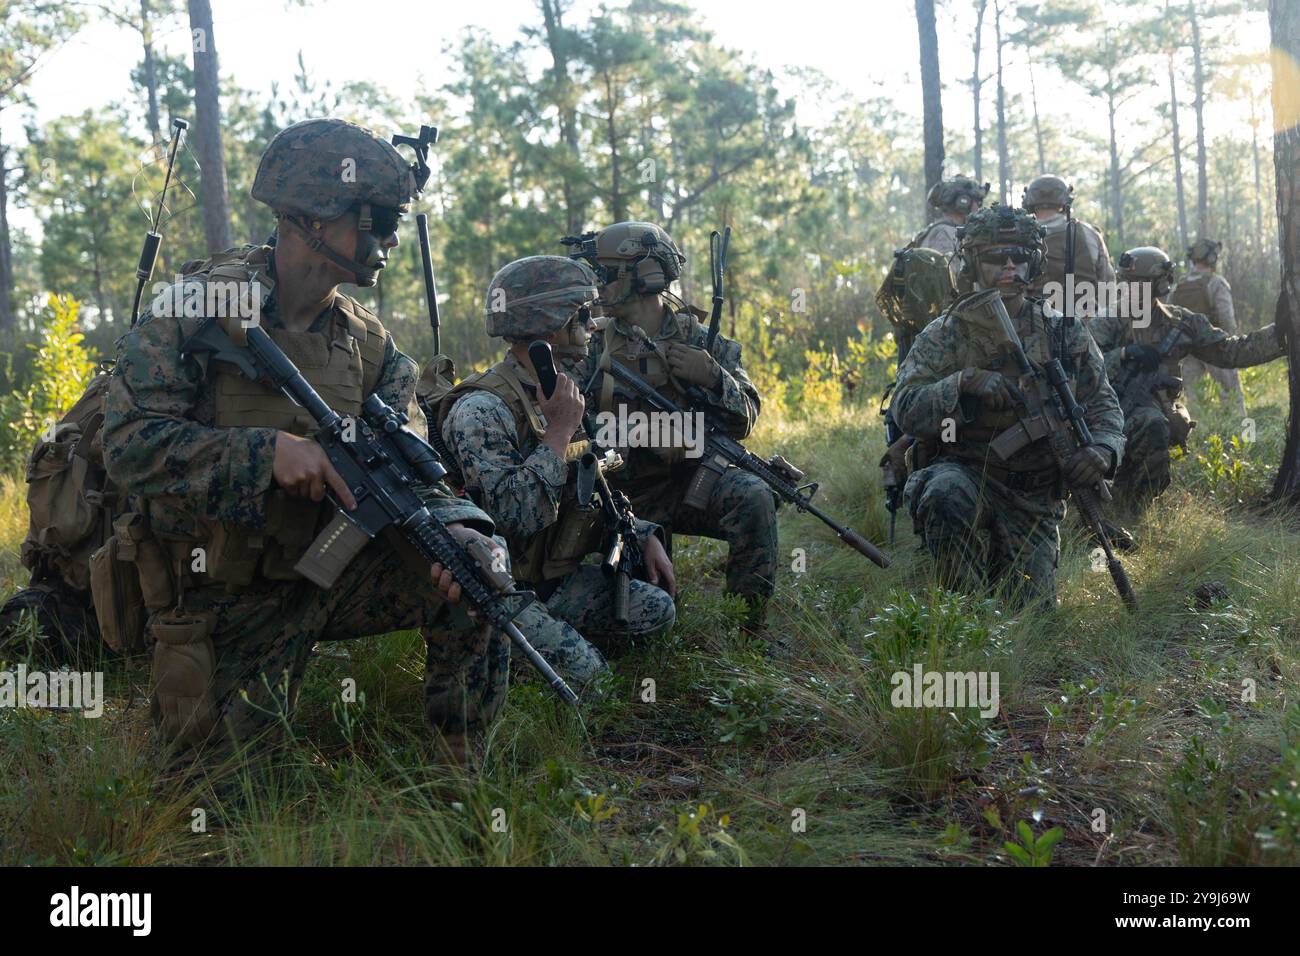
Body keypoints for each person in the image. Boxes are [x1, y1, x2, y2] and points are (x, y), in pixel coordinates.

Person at [103, 118, 561, 768]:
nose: (392, 240)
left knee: (472, 580)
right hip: (224, 590)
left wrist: (461, 527)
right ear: (312, 218)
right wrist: (266, 456)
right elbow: (126, 447)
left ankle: (461, 771)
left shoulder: (369, 341)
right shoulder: (195, 309)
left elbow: (409, 458)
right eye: (375, 220)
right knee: (215, 812)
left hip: (330, 569)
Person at [437, 255, 676, 688]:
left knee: (658, 609)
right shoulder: (482, 409)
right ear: (549, 323)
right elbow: (514, 518)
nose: (593, 324)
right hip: (501, 591)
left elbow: (589, 487)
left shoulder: (559, 390)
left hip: (553, 577)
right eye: (581, 314)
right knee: (594, 682)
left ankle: (554, 644)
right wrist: (559, 432)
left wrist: (643, 534)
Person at [892, 205, 1124, 608]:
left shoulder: (1063, 329)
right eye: (996, 257)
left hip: (1033, 496)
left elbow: (1103, 403)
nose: (1009, 266)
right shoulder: (947, 332)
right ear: (974, 263)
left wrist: (1103, 449)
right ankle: (959, 616)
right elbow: (906, 407)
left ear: (1033, 263)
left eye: (1020, 257)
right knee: (945, 495)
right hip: (967, 473)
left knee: (1030, 617)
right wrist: (964, 383)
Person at [566, 221, 777, 630]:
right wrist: (634, 436)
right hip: (623, 497)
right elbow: (568, 428)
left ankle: (749, 634)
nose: (598, 285)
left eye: (607, 275)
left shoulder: (699, 340)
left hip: (688, 485)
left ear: (646, 276)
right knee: (649, 616)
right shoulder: (591, 345)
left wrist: (715, 378)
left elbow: (747, 415)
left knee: (754, 496)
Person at [1089, 246, 1285, 506]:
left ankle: (1136, 503)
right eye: (1126, 282)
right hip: (1108, 411)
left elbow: (1230, 352)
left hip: (1155, 410)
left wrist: (1280, 335)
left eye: (1138, 283)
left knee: (1160, 423)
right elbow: (1085, 369)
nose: (1129, 289)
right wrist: (1124, 353)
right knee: (1149, 424)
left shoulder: (1180, 323)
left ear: (1160, 285)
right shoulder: (1107, 320)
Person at [1169, 239, 1247, 418]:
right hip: (1216, 347)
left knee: (1195, 400)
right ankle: (1243, 437)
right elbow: (1226, 317)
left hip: (1188, 351)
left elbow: (1170, 317)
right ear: (1212, 259)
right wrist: (1231, 342)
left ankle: (1199, 435)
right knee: (1232, 396)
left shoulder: (1179, 286)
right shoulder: (1216, 282)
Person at [1021, 174, 1114, 320]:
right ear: (1065, 201)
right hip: (1087, 327)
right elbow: (1107, 283)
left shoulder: (1020, 237)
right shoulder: (1089, 233)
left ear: (1028, 202)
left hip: (1037, 329)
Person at [908, 176, 989, 260]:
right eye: (977, 202)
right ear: (964, 202)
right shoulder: (944, 233)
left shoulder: (947, 231)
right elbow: (948, 271)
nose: (978, 207)